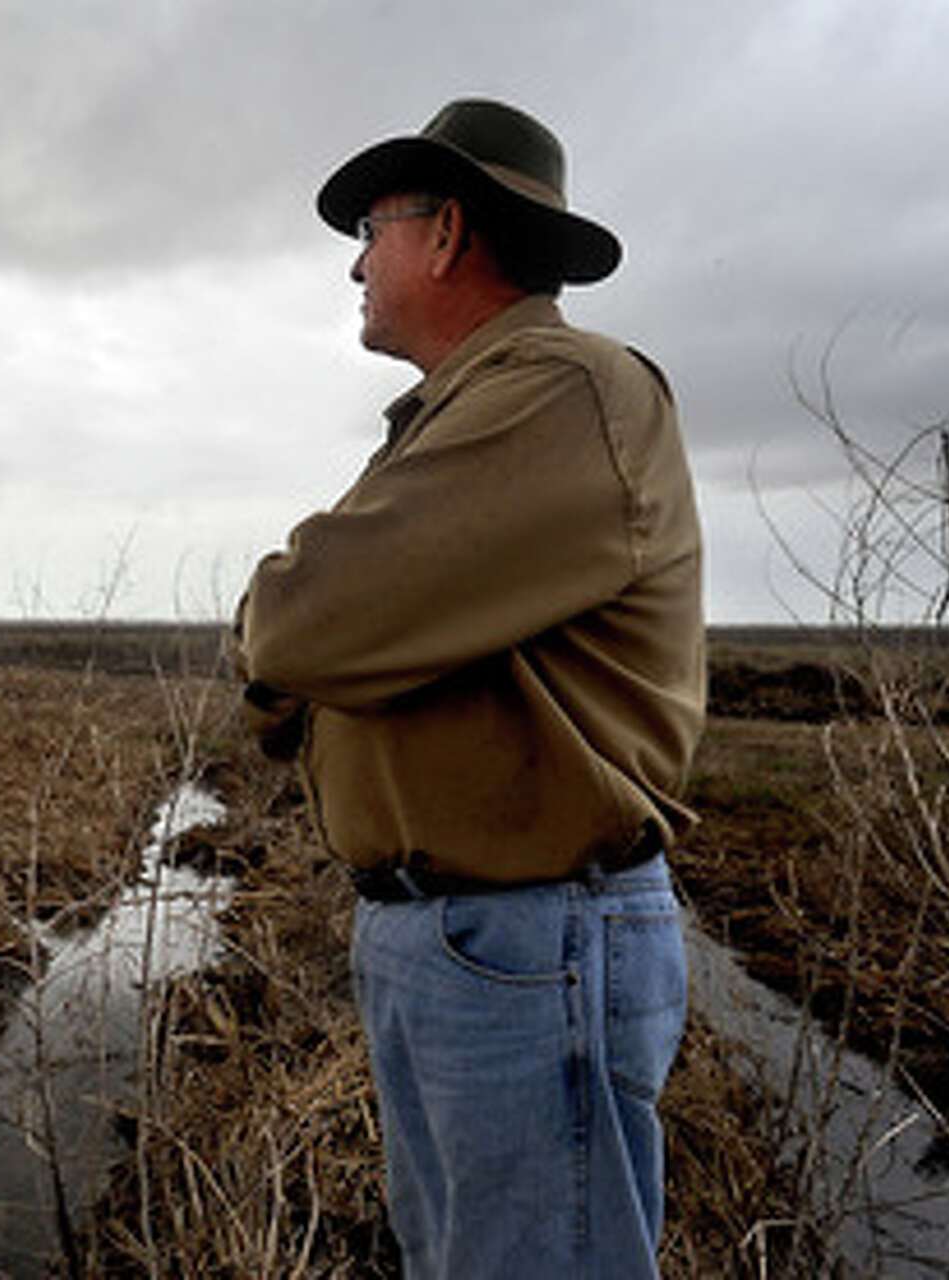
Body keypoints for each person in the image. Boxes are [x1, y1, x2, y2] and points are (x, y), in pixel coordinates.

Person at [234, 99, 705, 1279]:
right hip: (469, 940)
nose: (355, 260)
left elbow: (299, 621)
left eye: (371, 228)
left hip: (528, 938)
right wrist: (305, 652)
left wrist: (291, 642)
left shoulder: (560, 390)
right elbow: (316, 650)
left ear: (446, 233)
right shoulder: (470, 406)